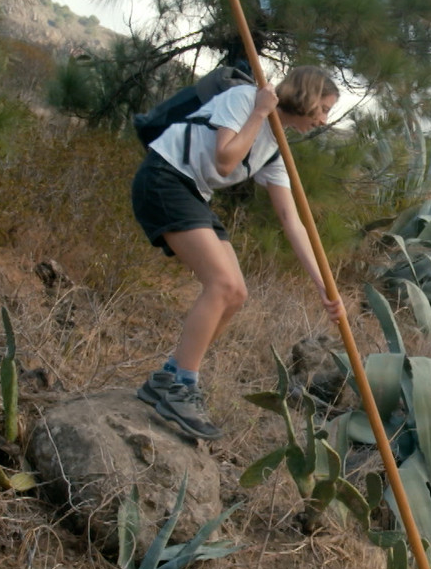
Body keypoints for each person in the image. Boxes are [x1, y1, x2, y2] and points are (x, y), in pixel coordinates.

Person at [130, 65, 345, 439]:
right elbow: (225, 160)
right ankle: (182, 387)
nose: (324, 120)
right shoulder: (244, 99)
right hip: (164, 178)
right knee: (223, 285)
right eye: (323, 109)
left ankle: (168, 377)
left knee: (237, 294)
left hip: (192, 193)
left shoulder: (275, 148)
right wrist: (260, 111)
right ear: (307, 97)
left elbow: (291, 220)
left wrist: (324, 287)